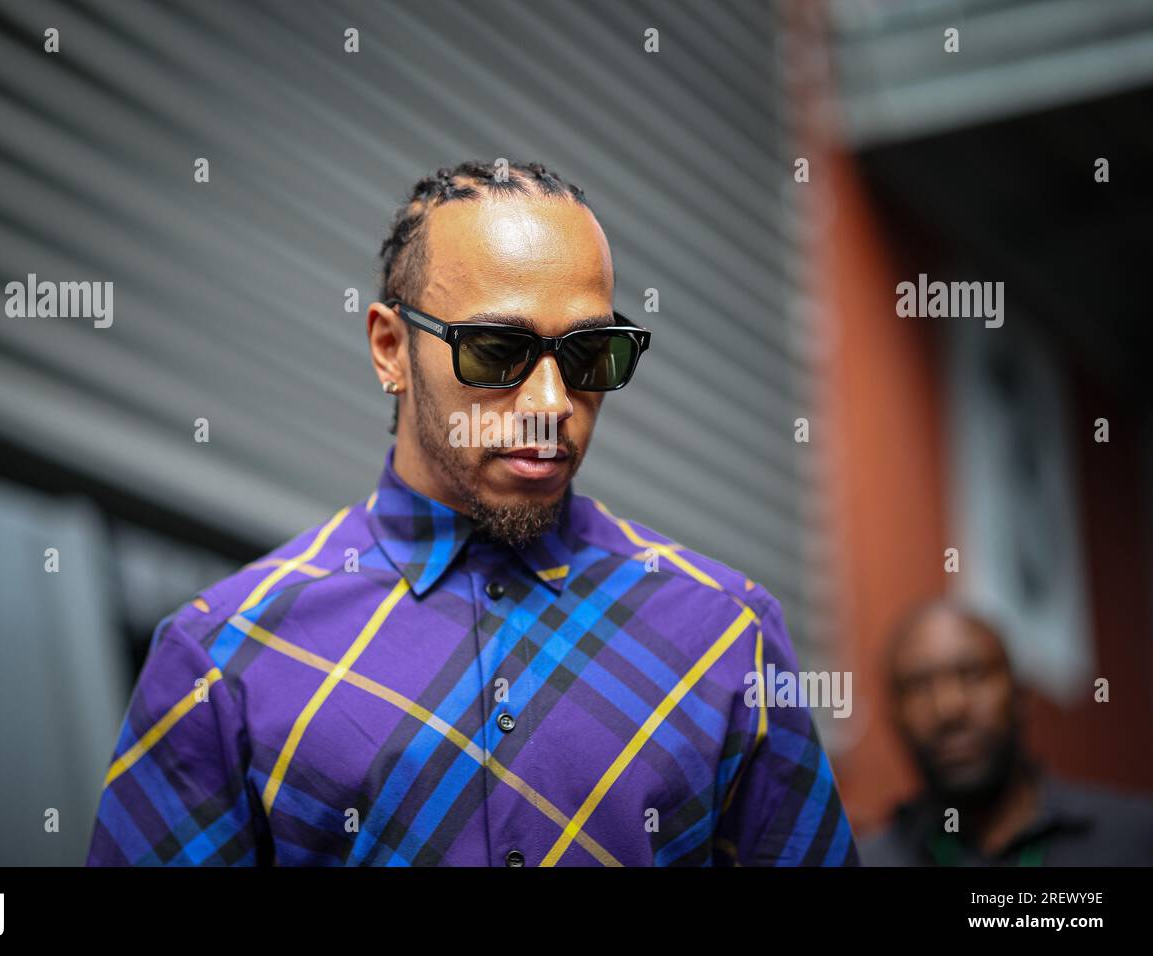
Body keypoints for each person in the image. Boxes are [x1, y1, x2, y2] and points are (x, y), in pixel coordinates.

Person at [86, 159, 857, 866]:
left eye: (591, 356)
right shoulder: (223, 660)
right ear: (390, 349)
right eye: (495, 351)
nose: (551, 404)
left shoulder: (725, 638)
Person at [860, 599, 1153, 865]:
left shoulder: (1136, 839)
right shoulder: (862, 862)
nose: (949, 708)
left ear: (1021, 695)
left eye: (973, 674)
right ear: (894, 717)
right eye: (919, 685)